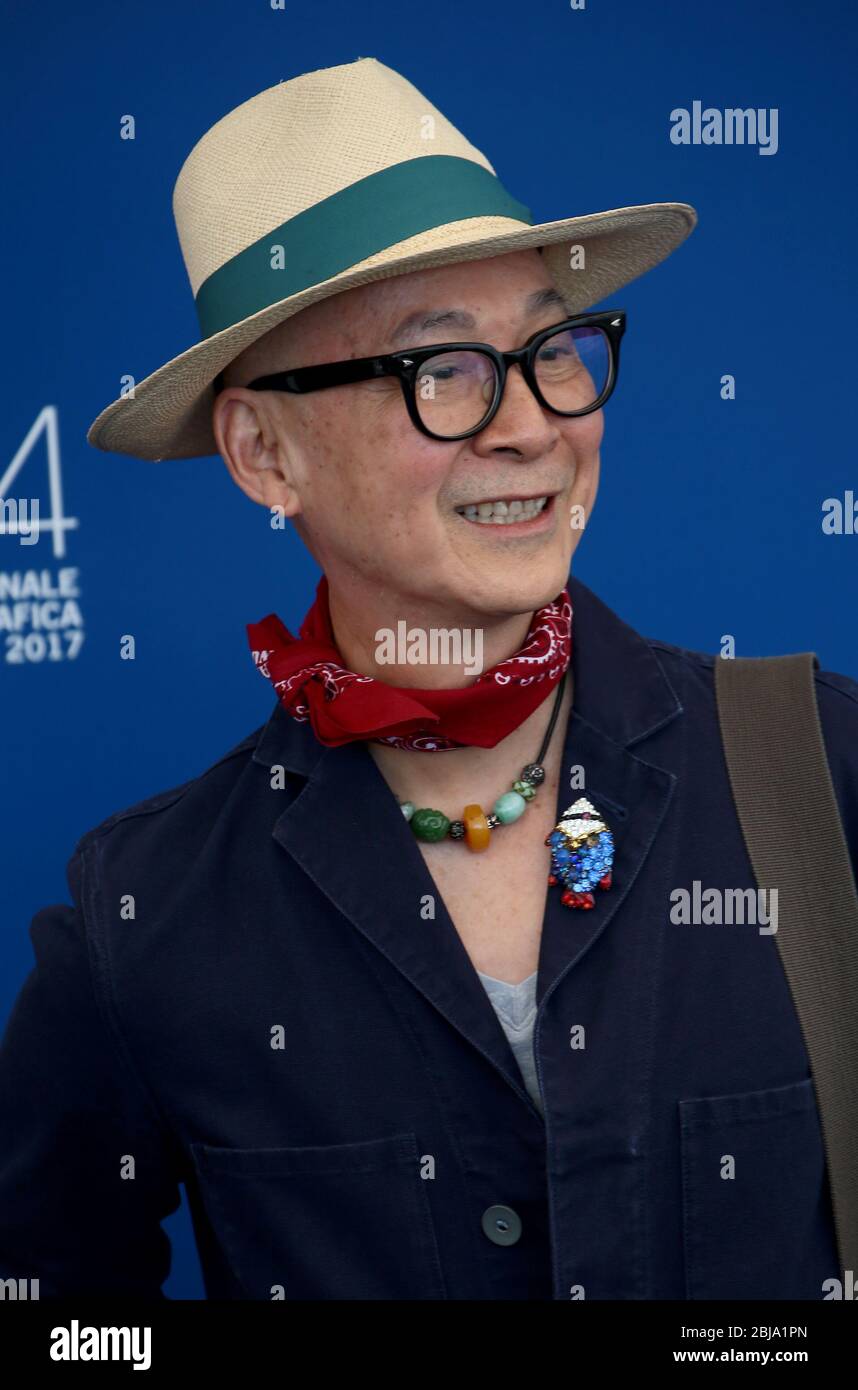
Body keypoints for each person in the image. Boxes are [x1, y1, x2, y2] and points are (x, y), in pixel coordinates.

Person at [1, 56, 856, 1302]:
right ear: (261, 449)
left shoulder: (821, 773)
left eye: (552, 350)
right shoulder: (144, 916)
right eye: (441, 369)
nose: (532, 424)